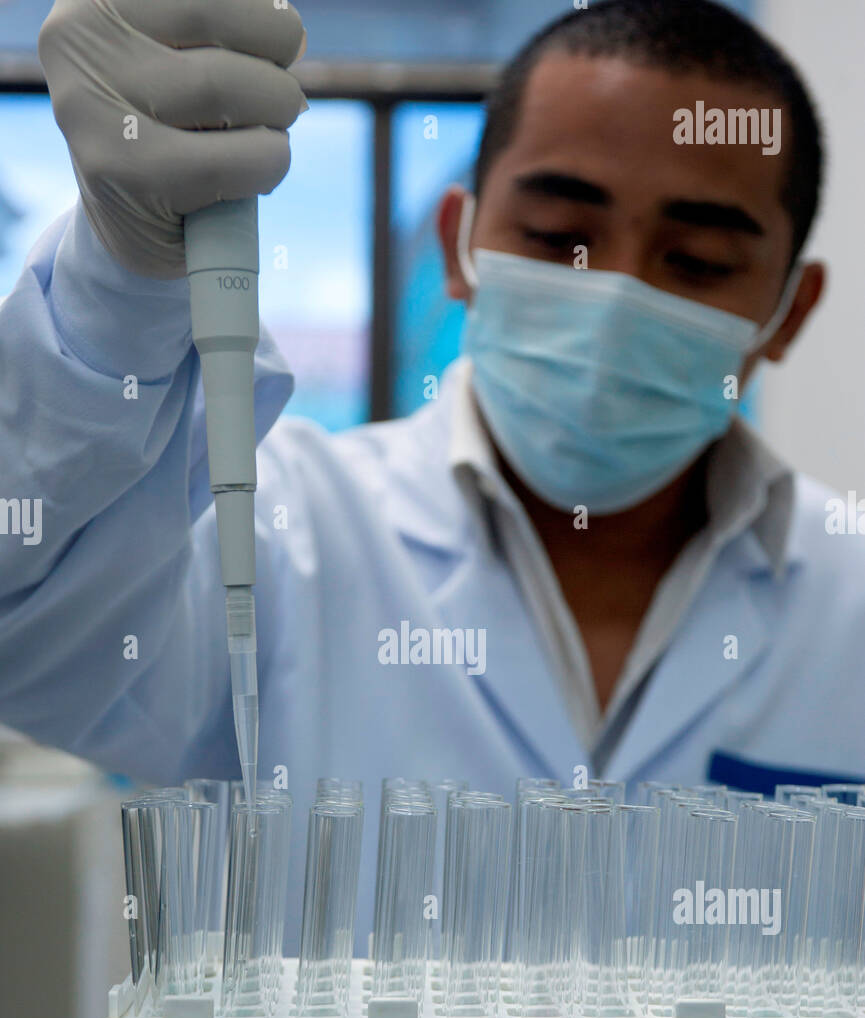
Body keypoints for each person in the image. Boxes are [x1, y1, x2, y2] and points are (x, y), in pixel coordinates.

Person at [0, 0, 862, 944]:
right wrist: (113, 289)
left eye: (695, 261)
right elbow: (24, 633)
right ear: (458, 242)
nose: (615, 294)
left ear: (790, 307)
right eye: (553, 235)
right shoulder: (284, 538)